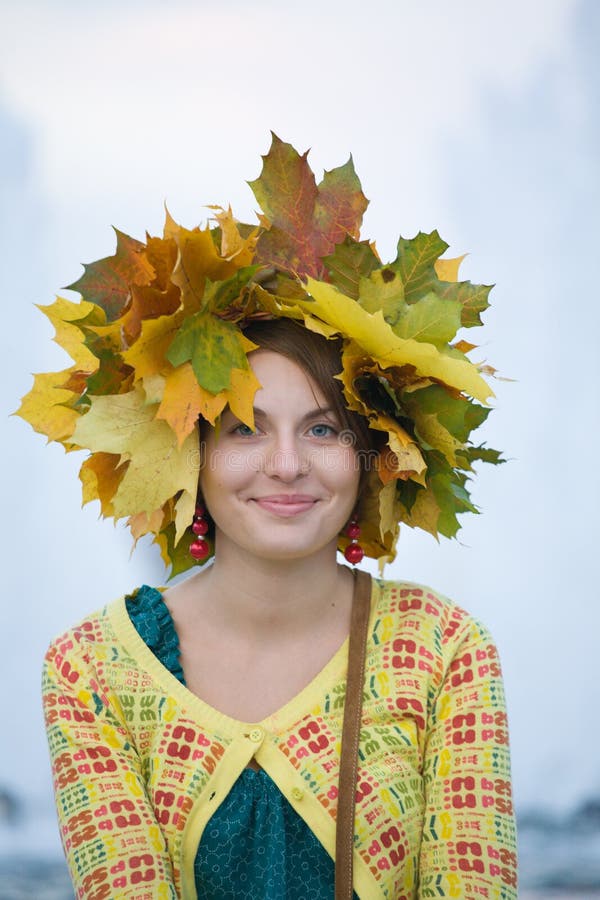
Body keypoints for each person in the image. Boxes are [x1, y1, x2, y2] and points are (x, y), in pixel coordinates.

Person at [20, 135, 518, 898]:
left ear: (370, 453)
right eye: (244, 427)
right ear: (187, 452)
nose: (286, 464)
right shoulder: (96, 670)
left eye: (322, 429)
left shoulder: (445, 652)